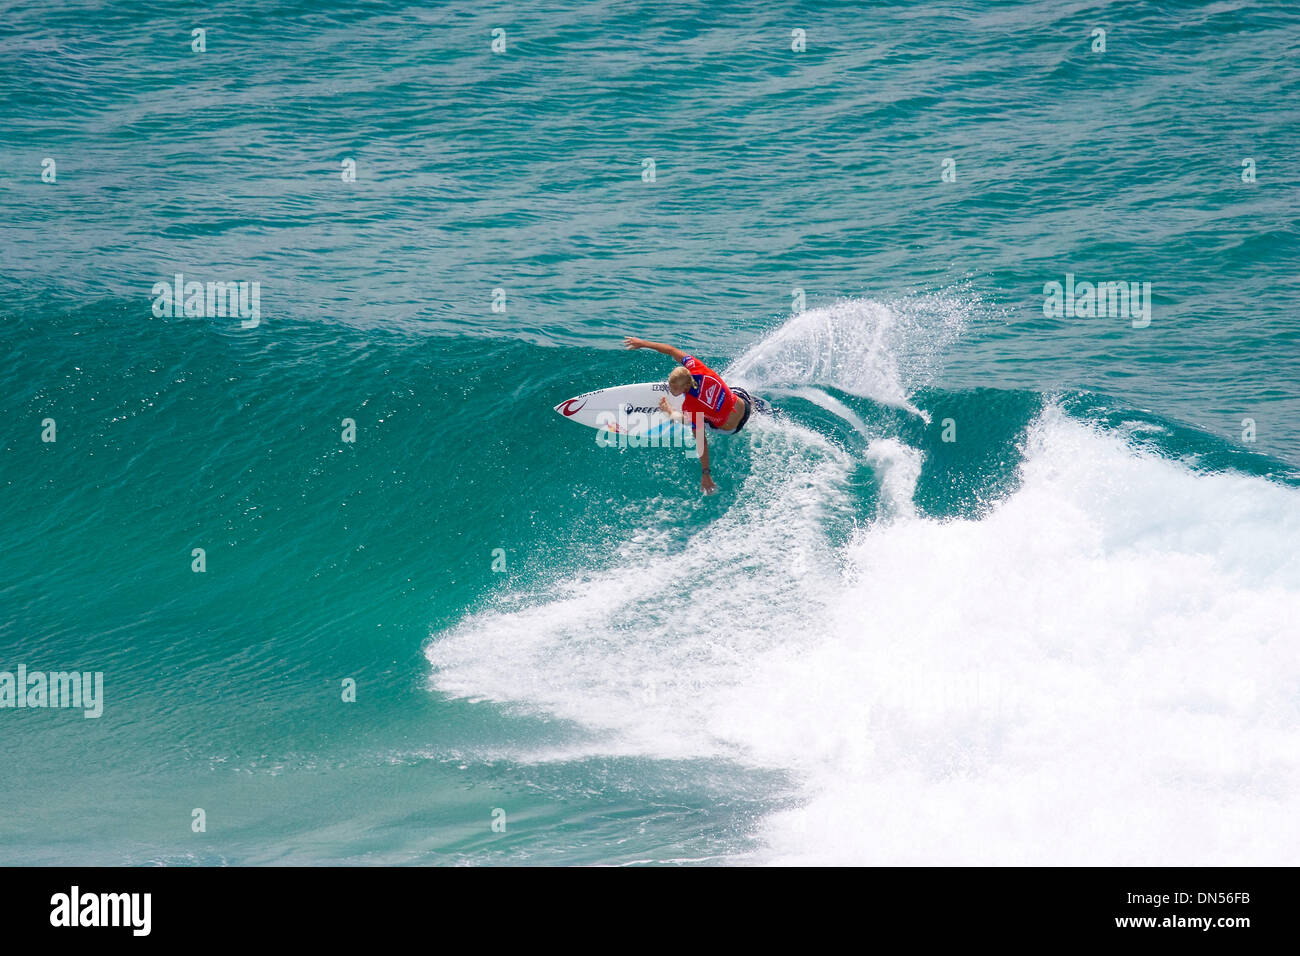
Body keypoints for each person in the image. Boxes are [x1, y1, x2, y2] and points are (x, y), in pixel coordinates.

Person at [623, 336, 767, 494]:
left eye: (674, 389)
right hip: (743, 402)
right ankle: (758, 410)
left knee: (684, 419)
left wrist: (706, 473)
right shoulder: (696, 367)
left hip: (730, 429)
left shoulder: (691, 406)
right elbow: (671, 351)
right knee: (733, 393)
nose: (671, 391)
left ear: (685, 388)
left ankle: (670, 412)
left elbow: (701, 440)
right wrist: (643, 343)